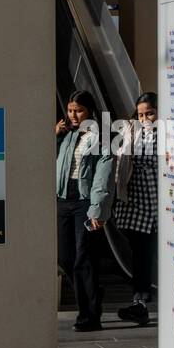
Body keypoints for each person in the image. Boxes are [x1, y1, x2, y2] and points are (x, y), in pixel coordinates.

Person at [55, 90, 114, 331]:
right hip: (62, 201)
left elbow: (104, 176)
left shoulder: (101, 138)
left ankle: (89, 316)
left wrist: (96, 210)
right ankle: (93, 292)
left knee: (83, 258)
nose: (73, 115)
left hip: (84, 204)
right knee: (64, 257)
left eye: (78, 110)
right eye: (70, 110)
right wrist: (55, 135)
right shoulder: (67, 135)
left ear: (89, 110)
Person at [113, 92, 158, 326]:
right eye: (141, 114)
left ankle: (141, 302)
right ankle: (139, 302)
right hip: (133, 204)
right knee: (140, 255)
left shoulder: (168, 135)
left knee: (145, 255)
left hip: (157, 206)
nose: (145, 118)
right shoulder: (132, 132)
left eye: (149, 113)